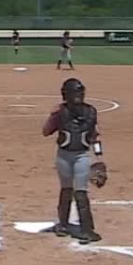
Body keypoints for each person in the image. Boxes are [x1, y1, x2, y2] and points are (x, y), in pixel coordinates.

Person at [42, 78, 103, 244]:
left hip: (81, 156)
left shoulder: (91, 112)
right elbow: (46, 131)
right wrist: (53, 116)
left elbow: (94, 135)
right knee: (66, 190)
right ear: (66, 95)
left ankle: (86, 229)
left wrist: (98, 156)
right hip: (64, 156)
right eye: (75, 94)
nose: (78, 97)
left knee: (81, 192)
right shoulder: (60, 112)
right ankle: (63, 224)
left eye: (79, 93)